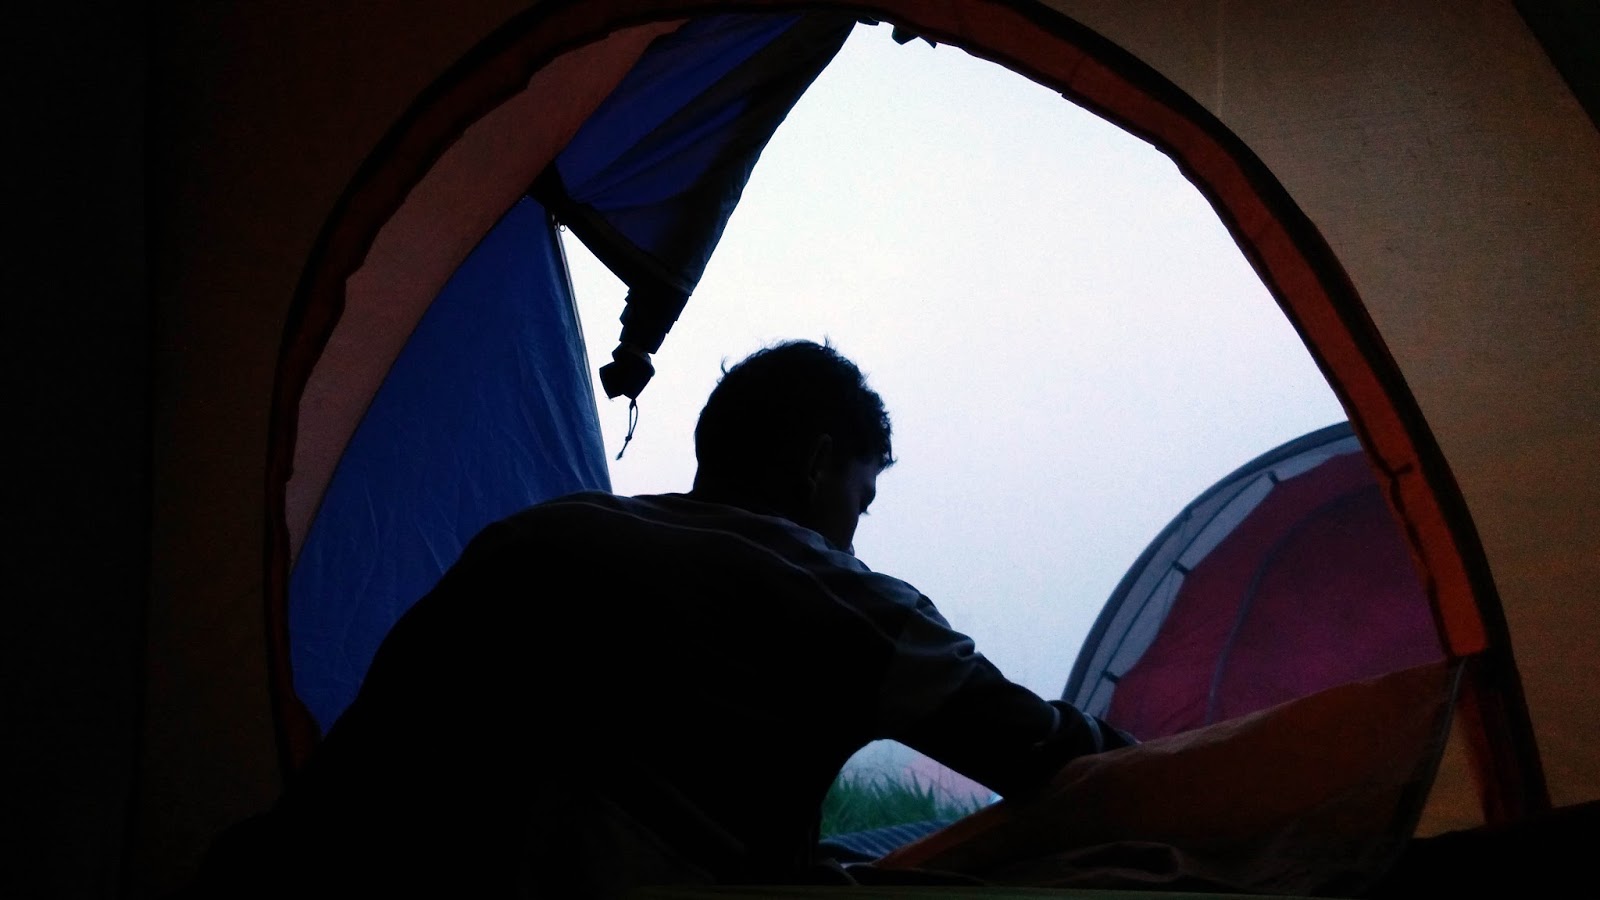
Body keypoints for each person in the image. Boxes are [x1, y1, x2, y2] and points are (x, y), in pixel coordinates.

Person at [188, 339, 1132, 899]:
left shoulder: (536, 533)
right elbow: (1050, 756)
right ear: (816, 463)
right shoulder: (843, 601)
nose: (858, 528)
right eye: (862, 493)